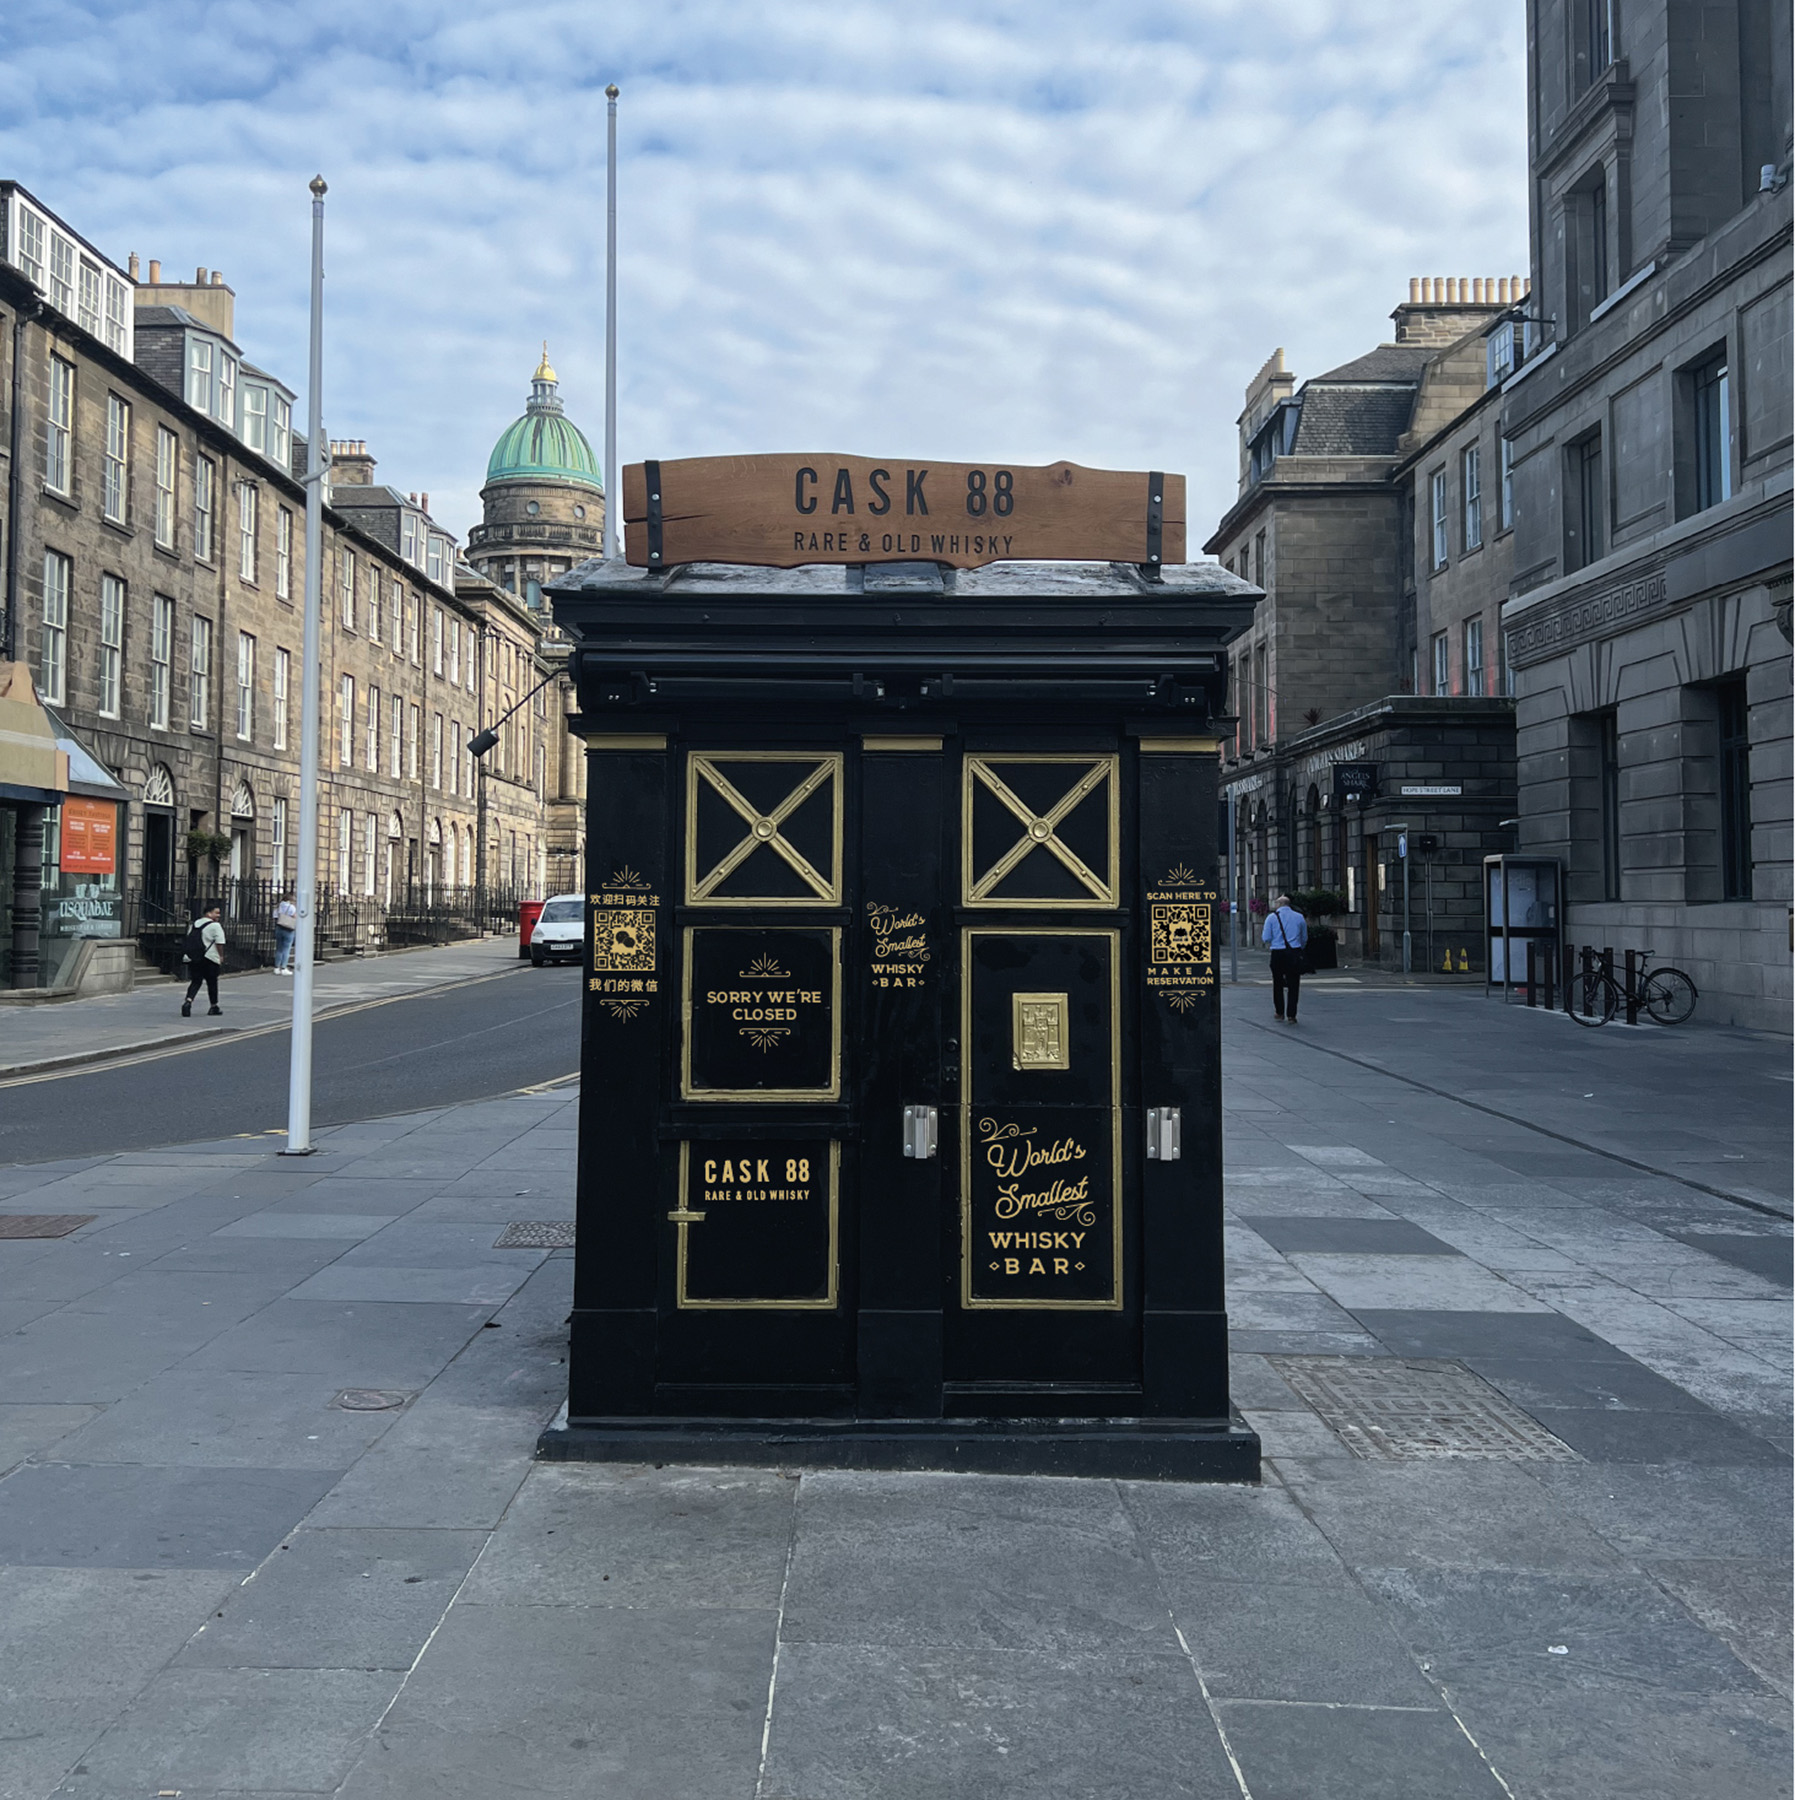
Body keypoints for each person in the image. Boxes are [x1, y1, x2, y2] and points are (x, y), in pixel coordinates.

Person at [1261, 893, 1308, 1024]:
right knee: (1294, 984)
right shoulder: (1299, 917)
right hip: (1294, 952)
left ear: (1278, 905)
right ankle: (1292, 1015)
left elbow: (1266, 938)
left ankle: (1279, 1012)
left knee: (1277, 982)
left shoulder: (1271, 918)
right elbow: (1304, 938)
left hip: (1278, 953)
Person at [180, 904, 227, 1017]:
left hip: (195, 957)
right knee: (212, 983)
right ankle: (213, 1006)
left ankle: (188, 1002)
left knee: (196, 981)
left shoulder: (195, 924)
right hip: (210, 957)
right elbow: (219, 943)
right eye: (216, 912)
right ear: (209, 913)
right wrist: (221, 956)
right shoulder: (215, 926)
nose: (218, 915)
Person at [273, 893, 298, 974]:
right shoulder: (291, 907)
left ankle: (276, 967)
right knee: (286, 948)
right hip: (288, 929)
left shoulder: (278, 906)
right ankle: (284, 967)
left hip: (279, 927)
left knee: (279, 948)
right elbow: (295, 916)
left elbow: (275, 916)